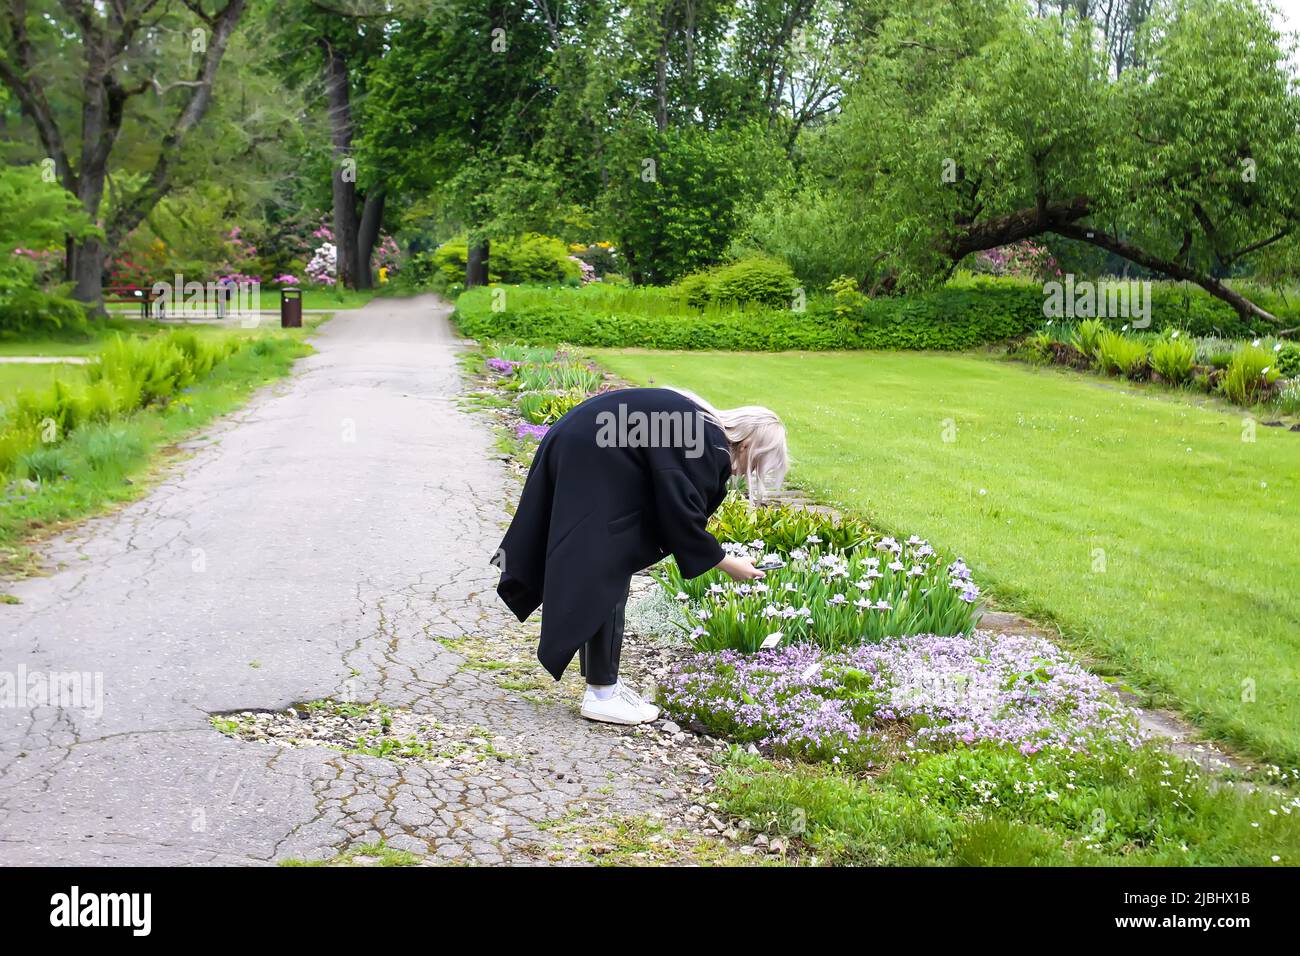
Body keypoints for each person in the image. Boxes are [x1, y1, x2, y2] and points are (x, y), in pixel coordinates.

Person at [491, 386, 789, 725]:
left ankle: (604, 685)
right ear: (748, 445)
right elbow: (681, 516)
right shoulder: (706, 442)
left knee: (609, 560)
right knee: (609, 562)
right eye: (757, 463)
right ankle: (601, 693)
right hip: (588, 451)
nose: (746, 473)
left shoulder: (699, 427)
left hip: (581, 442)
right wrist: (727, 563)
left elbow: (668, 502)